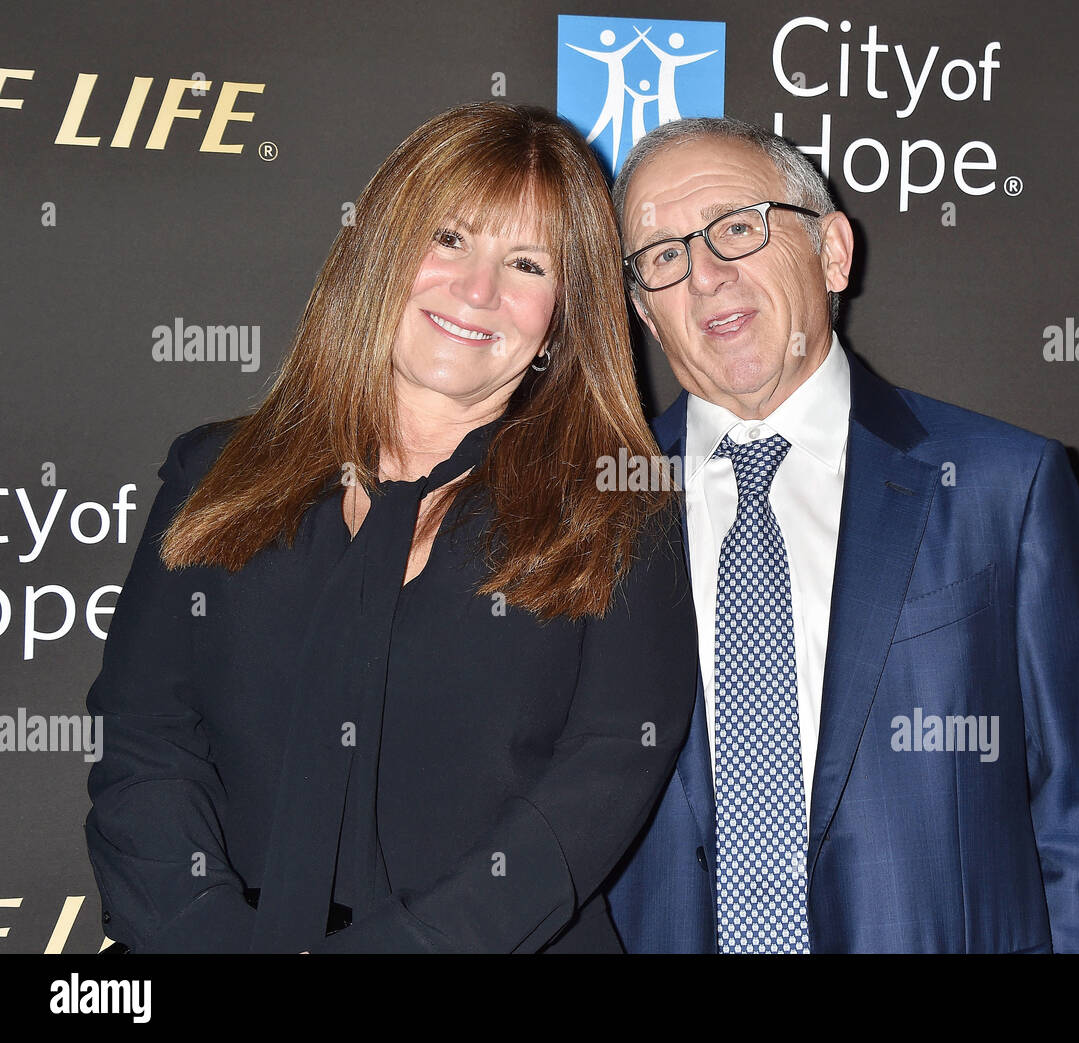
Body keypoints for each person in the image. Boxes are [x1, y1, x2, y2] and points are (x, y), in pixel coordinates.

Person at [83, 102, 697, 954]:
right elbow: (143, 742)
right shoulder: (213, 474)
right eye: (448, 238)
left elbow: (595, 789)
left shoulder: (621, 512)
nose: (477, 290)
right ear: (381, 249)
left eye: (526, 263)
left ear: (561, 317)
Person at [605, 116, 1079, 953]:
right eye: (664, 256)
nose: (705, 275)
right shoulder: (588, 514)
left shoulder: (1007, 486)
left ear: (833, 254)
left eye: (737, 228)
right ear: (642, 308)